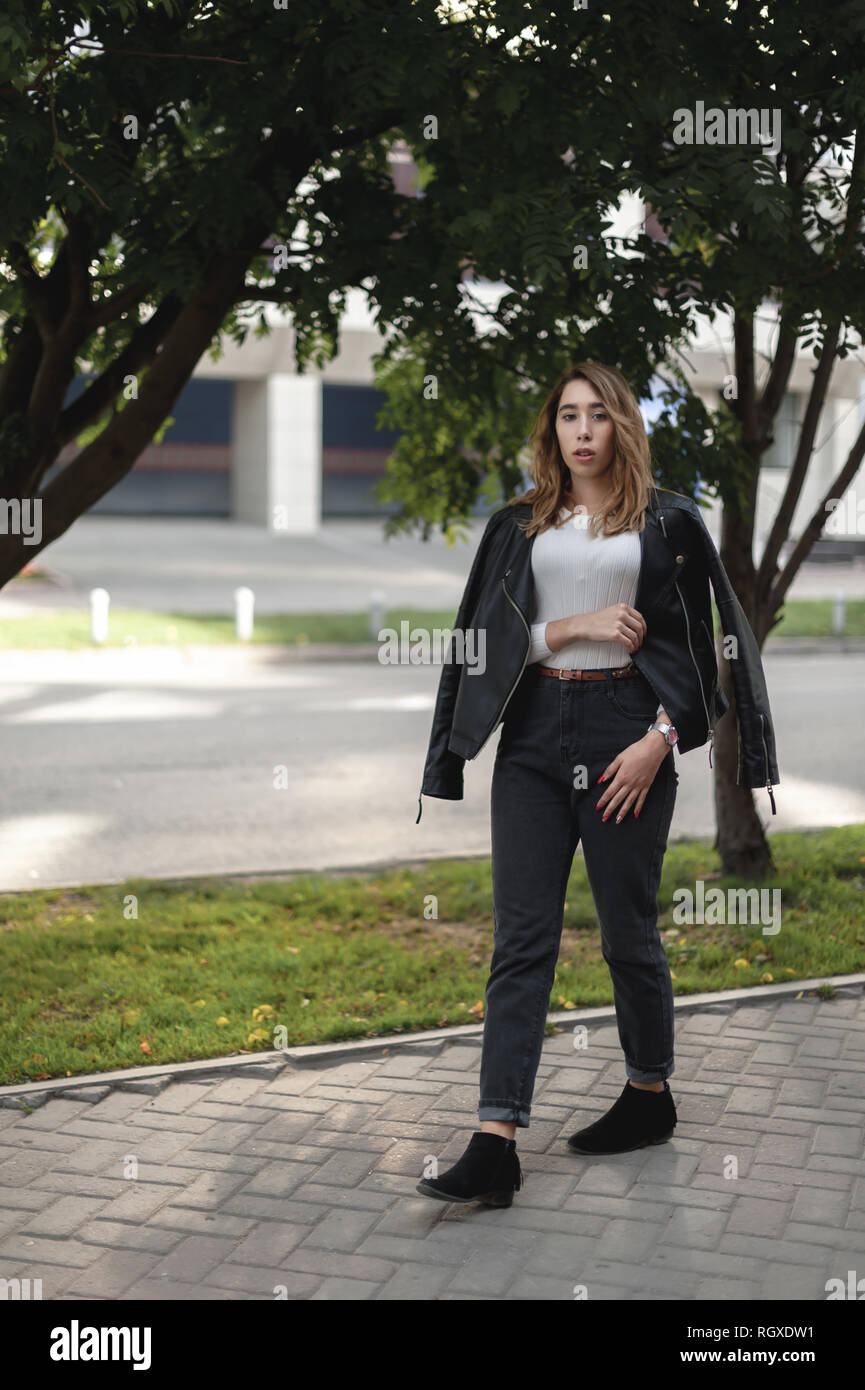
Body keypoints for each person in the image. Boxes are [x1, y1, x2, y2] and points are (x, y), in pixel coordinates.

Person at [414, 361, 780, 1208]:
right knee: (521, 941)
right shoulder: (519, 526)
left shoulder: (668, 522)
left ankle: (648, 1095)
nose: (580, 431)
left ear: (621, 426)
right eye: (566, 417)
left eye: (597, 416)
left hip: (628, 733)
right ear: (552, 432)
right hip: (535, 737)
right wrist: (572, 625)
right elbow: (487, 643)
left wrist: (661, 740)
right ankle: (495, 1141)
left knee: (627, 933)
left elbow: (700, 649)